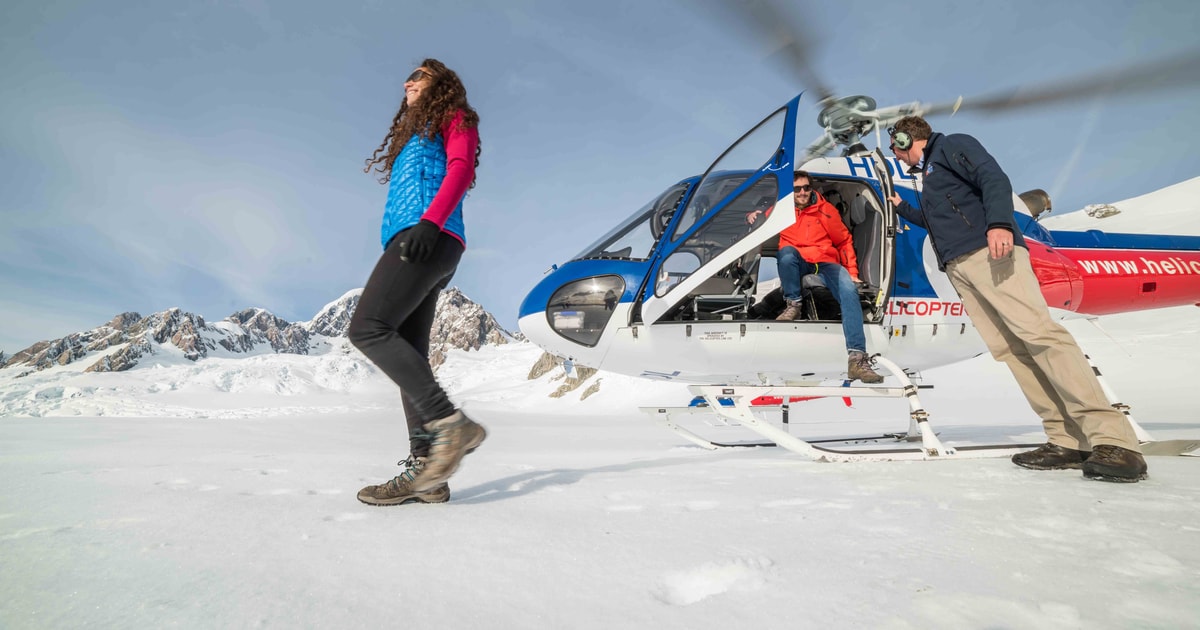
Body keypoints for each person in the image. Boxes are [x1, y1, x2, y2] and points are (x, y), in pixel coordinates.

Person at [885, 115, 1147, 483]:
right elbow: (936, 218)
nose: (897, 158)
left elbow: (994, 178)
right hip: (961, 266)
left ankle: (1115, 440)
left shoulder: (952, 145)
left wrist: (999, 224)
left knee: (1040, 336)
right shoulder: (928, 175)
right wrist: (900, 206)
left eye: (895, 149)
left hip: (988, 254)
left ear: (904, 138)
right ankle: (1066, 440)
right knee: (1012, 350)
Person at [349, 59, 487, 505]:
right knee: (409, 354)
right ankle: (428, 474)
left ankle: (450, 424)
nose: (407, 82)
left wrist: (429, 223)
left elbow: (461, 168)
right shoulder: (413, 136)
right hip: (419, 239)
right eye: (408, 77)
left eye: (420, 77)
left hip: (428, 236)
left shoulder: (456, 117)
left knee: (368, 328)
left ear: (441, 85)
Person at [748, 171, 883, 384]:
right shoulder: (780, 211)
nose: (802, 193)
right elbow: (761, 219)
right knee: (786, 254)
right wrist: (755, 216)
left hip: (825, 262)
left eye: (806, 188)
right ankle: (794, 305)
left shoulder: (826, 211)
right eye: (797, 189)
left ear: (811, 188)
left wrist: (853, 273)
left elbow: (844, 241)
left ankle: (857, 358)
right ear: (790, 192)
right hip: (798, 262)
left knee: (849, 293)